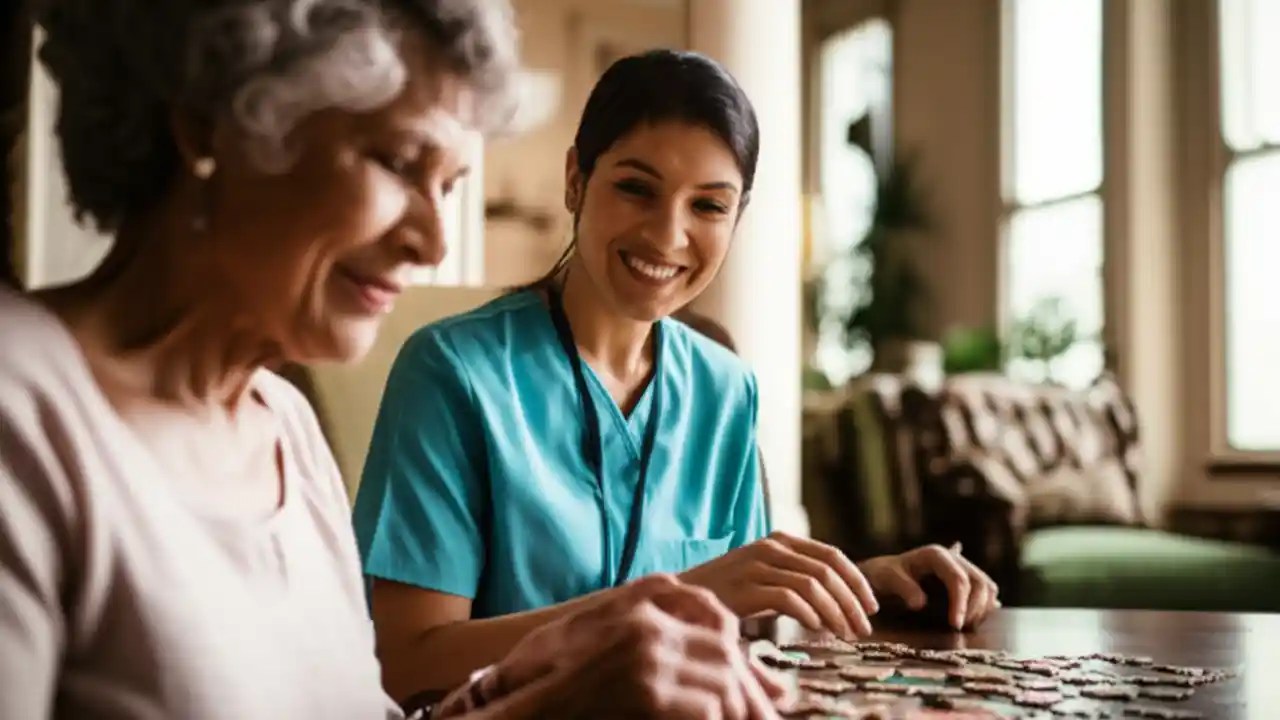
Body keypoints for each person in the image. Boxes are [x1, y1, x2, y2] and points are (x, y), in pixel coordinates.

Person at [0, 1, 781, 718]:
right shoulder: (22, 418)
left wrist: (557, 686)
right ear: (212, 128)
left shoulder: (286, 429)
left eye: (447, 184)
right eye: (398, 163)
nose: (434, 241)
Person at [353, 48, 1003, 697]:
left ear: (738, 217)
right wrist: (679, 597)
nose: (668, 235)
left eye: (709, 207)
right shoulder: (453, 372)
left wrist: (863, 585)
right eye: (636, 188)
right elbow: (405, 662)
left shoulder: (726, 388)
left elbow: (739, 614)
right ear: (576, 179)